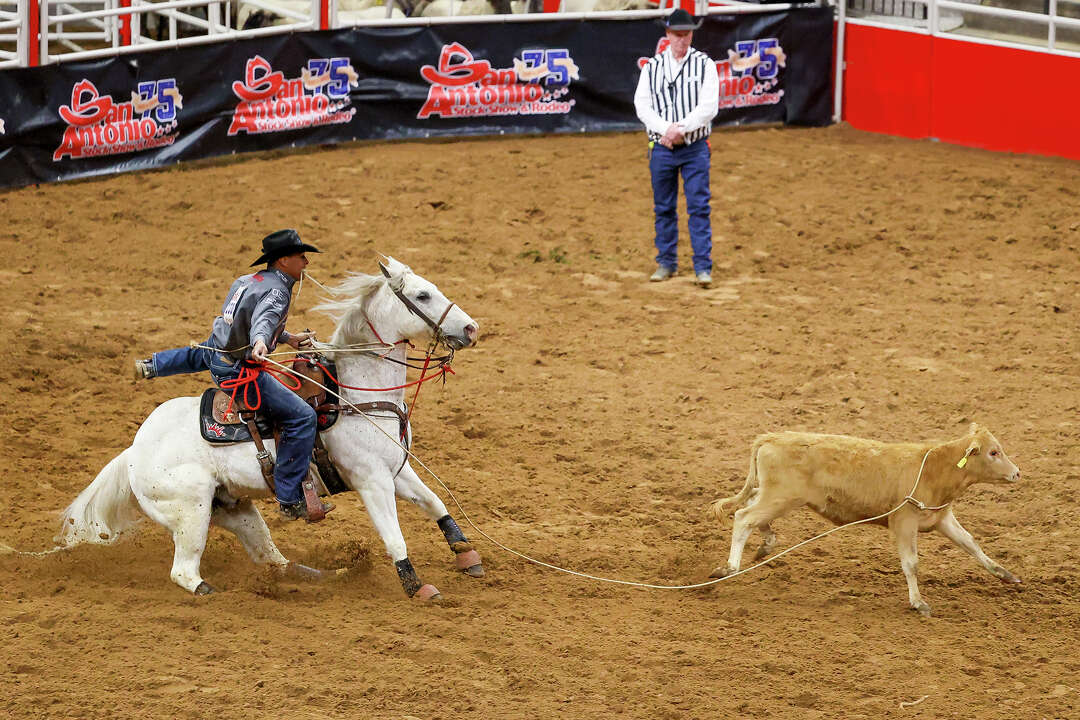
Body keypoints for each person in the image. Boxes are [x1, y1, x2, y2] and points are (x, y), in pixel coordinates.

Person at [133, 229, 333, 521]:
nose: (306, 262)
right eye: (301, 257)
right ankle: (290, 499)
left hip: (217, 350)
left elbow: (247, 316)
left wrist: (287, 338)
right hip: (236, 369)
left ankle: (153, 366)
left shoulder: (249, 280)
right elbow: (264, 319)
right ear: (283, 260)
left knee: (197, 354)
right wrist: (262, 341)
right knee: (303, 417)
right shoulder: (278, 291)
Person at [634, 8, 719, 288]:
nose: (683, 40)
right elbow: (642, 106)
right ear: (668, 35)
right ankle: (667, 262)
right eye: (678, 35)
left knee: (698, 206)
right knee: (664, 207)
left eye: (687, 35)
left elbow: (709, 107)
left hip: (693, 146)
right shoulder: (652, 68)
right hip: (662, 146)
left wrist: (678, 129)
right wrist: (667, 130)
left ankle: (702, 266)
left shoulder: (705, 64)